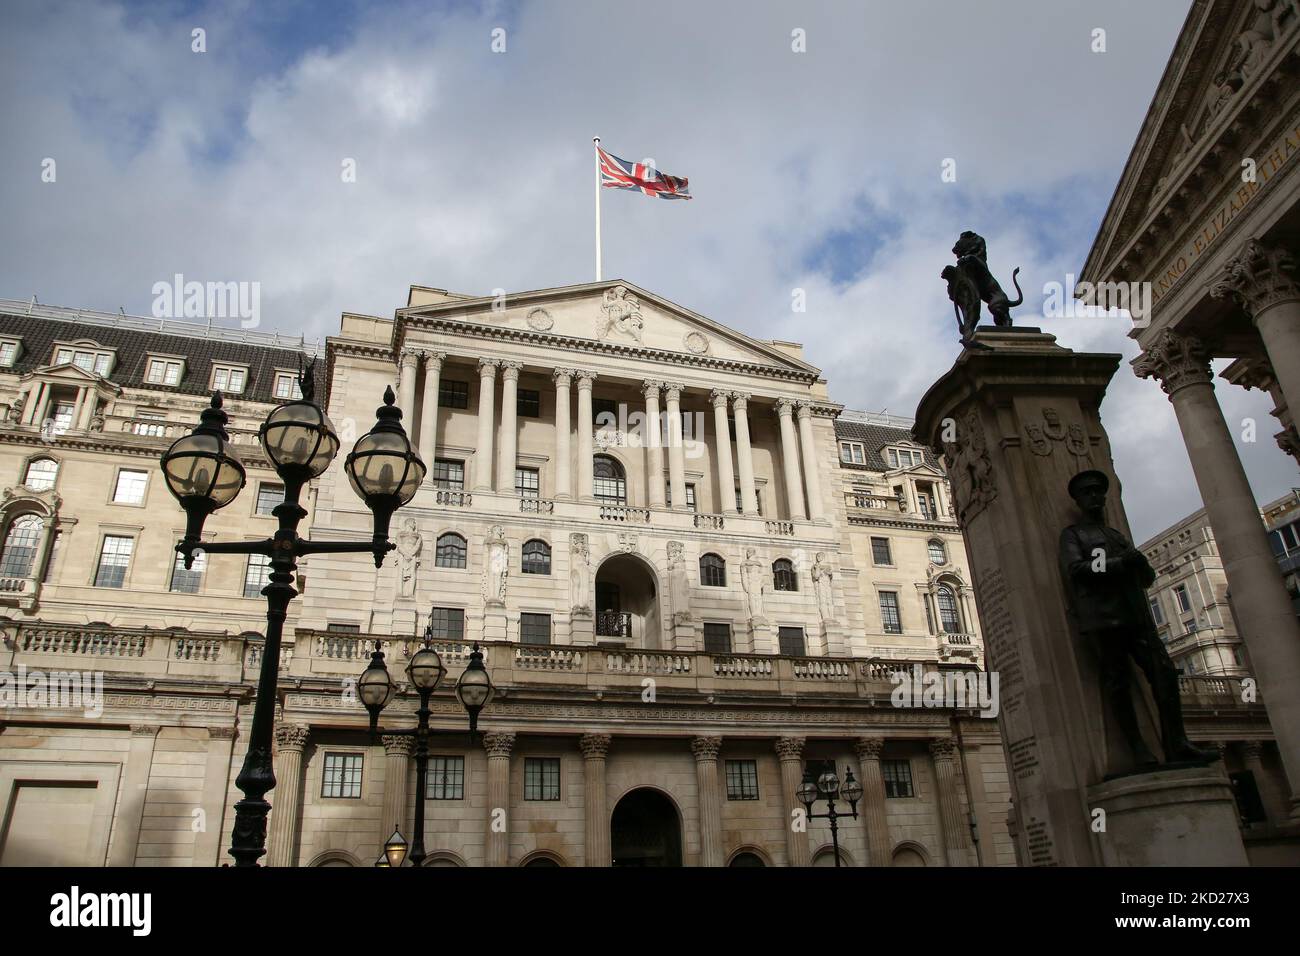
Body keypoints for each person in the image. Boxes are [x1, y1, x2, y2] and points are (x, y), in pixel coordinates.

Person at [1058, 470, 1214, 768]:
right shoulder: (1075, 535)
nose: (1094, 497)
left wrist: (1140, 565)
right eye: (1087, 493)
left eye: (1098, 492)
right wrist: (1118, 563)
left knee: (1165, 673)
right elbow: (1076, 570)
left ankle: (1176, 743)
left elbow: (1146, 578)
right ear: (1078, 500)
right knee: (1117, 682)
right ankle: (1136, 750)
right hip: (1105, 618)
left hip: (1135, 617)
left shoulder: (1116, 535)